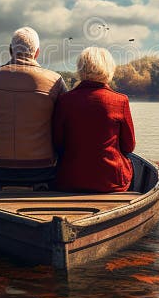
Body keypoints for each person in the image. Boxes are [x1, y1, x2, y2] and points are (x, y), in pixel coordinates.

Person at [0, 27, 67, 184]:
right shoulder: (55, 80)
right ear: (37, 52)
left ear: (10, 50)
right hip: (42, 167)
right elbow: (64, 128)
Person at [53, 46, 135, 192]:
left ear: (80, 69)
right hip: (110, 182)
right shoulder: (120, 101)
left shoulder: (64, 100)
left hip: (70, 179)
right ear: (109, 70)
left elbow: (58, 143)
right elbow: (129, 146)